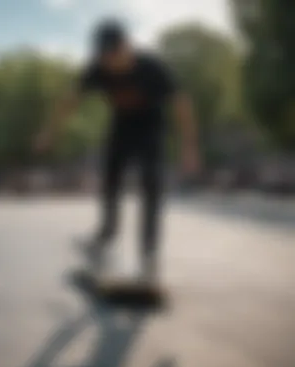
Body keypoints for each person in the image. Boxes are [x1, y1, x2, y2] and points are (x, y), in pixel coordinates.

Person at [34, 20, 200, 283]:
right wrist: (50, 132)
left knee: (151, 183)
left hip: (151, 129)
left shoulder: (152, 68)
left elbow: (181, 104)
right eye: (104, 58)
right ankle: (107, 234)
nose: (109, 64)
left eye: (113, 57)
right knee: (110, 180)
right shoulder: (98, 68)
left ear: (126, 47)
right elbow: (69, 99)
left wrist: (189, 148)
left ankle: (149, 254)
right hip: (121, 128)